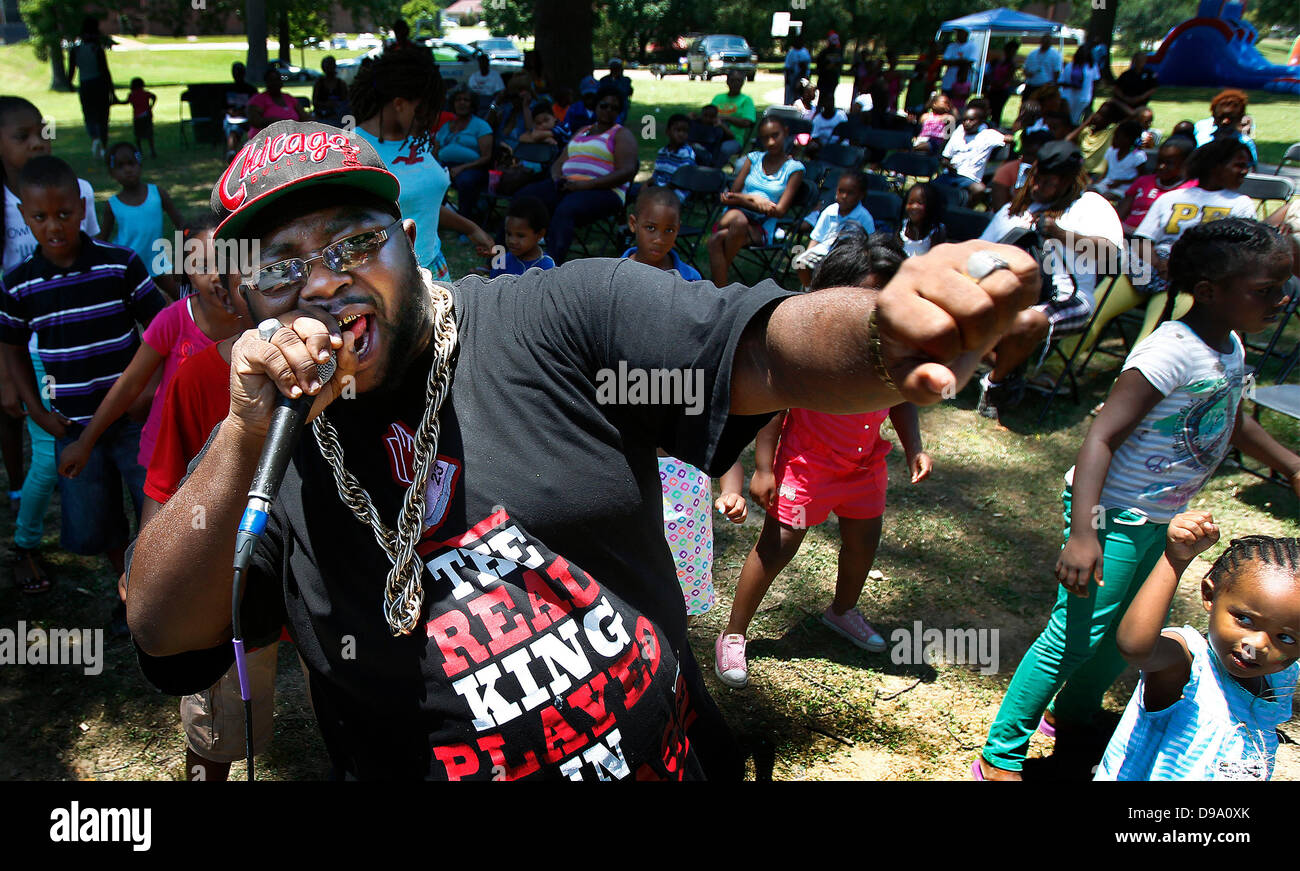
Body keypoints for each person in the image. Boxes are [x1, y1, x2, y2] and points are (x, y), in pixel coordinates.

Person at [125, 115, 1042, 780]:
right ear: (245, 303)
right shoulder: (265, 447)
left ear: (413, 243)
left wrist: (882, 336)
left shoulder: (551, 320)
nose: (323, 281)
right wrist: (248, 431)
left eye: (354, 242)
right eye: (283, 266)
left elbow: (759, 344)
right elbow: (165, 634)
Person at [976, 218, 1300, 780]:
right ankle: (1000, 754)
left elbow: (1235, 420)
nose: (1282, 298)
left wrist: (1291, 462)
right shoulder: (1171, 350)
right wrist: (1083, 534)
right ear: (1210, 292)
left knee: (1121, 632)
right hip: (1113, 515)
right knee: (1073, 637)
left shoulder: (1230, 345)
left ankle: (1072, 715)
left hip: (1163, 518)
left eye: (1283, 286)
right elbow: (1102, 436)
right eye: (1266, 289)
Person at [716, 233, 933, 688]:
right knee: (779, 543)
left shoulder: (892, 348)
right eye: (861, 297)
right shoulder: (810, 345)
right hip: (805, 466)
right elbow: (774, 406)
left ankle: (842, 610)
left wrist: (914, 446)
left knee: (863, 543)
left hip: (863, 468)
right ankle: (734, 633)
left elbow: (902, 399)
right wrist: (763, 467)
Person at [0, 156, 166, 619]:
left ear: (82, 207)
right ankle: (128, 590)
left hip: (134, 420)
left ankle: (154, 587)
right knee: (97, 519)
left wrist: (150, 388)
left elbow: (161, 324)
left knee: (154, 502)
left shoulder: (119, 264)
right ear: (24, 217)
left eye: (64, 214)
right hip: (71, 426)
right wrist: (35, 409)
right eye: (39, 217)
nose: (53, 226)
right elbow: (12, 348)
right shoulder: (19, 285)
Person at [1096, 512, 1299, 780]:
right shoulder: (1190, 665)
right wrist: (1174, 561)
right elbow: (1137, 647)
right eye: (1245, 619)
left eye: (1285, 637)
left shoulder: (1281, 675)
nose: (1257, 645)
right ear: (1209, 595)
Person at [0, 97, 103, 592]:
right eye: (21, 136)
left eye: (40, 131)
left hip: (88, 349)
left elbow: (97, 261)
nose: (37, 141)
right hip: (38, 353)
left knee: (91, 448)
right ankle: (26, 543)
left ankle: (100, 537)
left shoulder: (75, 189)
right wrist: (7, 371)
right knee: (48, 455)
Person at [58, 212, 243, 481]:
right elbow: (130, 384)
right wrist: (85, 441)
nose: (217, 276)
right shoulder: (174, 320)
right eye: (203, 266)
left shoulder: (256, 322)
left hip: (229, 458)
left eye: (226, 262)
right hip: (168, 455)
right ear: (188, 273)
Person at [975, 141, 1123, 420]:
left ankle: (995, 382)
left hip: (1069, 297)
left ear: (1067, 182)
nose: (1036, 188)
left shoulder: (1090, 206)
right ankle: (1008, 369)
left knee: (1025, 322)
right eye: (1035, 179)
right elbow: (979, 249)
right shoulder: (1015, 208)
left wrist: (1061, 234)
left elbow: (1111, 256)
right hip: (1009, 292)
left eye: (1047, 182)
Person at [349, 47, 494, 278]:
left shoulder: (417, 140)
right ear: (399, 104)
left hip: (435, 265)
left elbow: (422, 203)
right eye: (423, 110)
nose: (429, 118)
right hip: (389, 278)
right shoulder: (352, 148)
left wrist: (471, 228)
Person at [512, 86, 637, 264]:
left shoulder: (621, 134)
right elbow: (558, 163)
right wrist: (557, 179)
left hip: (604, 191)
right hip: (567, 186)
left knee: (566, 209)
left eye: (614, 107)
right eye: (604, 105)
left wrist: (587, 185)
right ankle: (505, 258)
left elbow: (627, 171)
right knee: (524, 198)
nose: (608, 110)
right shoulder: (582, 131)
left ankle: (550, 268)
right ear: (596, 106)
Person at [708, 116, 805, 286]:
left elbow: (780, 210)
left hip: (761, 227)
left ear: (786, 133)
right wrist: (752, 199)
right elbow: (730, 197)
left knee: (716, 240)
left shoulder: (794, 169)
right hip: (733, 217)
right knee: (737, 219)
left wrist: (740, 199)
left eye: (776, 135)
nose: (771, 142)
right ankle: (722, 290)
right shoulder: (753, 159)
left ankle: (719, 287)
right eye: (766, 138)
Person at [99, 143, 185, 297]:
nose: (127, 169)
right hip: (128, 266)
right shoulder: (113, 205)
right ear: (112, 172)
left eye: (131, 163)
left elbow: (181, 224)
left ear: (139, 164)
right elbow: (102, 240)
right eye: (120, 166)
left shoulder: (157, 193)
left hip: (158, 261)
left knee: (182, 297)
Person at [792, 171, 873, 288]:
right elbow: (816, 237)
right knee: (800, 263)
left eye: (850, 193)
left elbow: (869, 245)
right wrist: (808, 253)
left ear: (861, 195)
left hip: (847, 256)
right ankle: (810, 289)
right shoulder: (830, 211)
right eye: (841, 191)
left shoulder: (864, 217)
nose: (844, 196)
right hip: (824, 250)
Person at [436, 88, 493, 224]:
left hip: (472, 167)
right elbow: (435, 151)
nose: (461, 103)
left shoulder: (481, 126)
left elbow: (486, 156)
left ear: (472, 104)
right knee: (433, 178)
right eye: (458, 100)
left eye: (466, 100)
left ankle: (465, 222)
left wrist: (462, 168)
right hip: (445, 165)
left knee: (466, 181)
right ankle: (434, 219)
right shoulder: (446, 126)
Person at [1115, 136, 1195, 232]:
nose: (1161, 167)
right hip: (1127, 233)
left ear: (1185, 164)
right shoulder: (1143, 182)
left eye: (1169, 163)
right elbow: (1121, 213)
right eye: (1159, 161)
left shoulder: (1191, 190)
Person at [621, 184, 699, 279]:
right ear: (633, 224)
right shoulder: (616, 274)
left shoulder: (690, 278)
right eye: (650, 228)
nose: (659, 240)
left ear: (678, 229)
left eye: (669, 230)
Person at [67, 16, 118, 159]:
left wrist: (69, 83)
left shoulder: (75, 50)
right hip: (99, 84)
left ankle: (95, 138)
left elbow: (71, 69)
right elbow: (105, 71)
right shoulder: (97, 49)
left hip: (85, 85)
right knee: (103, 116)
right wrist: (111, 91)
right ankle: (103, 145)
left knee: (89, 114)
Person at [936, 106, 1006, 205]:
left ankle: (964, 209)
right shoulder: (959, 131)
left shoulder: (989, 135)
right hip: (950, 174)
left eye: (971, 120)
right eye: (964, 120)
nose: (967, 123)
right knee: (927, 189)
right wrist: (947, 165)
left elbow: (1009, 139)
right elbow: (945, 157)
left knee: (980, 190)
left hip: (969, 177)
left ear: (981, 121)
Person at [489, 196, 555, 277]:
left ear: (540, 234)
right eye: (509, 234)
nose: (512, 241)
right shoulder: (502, 261)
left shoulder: (547, 266)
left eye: (520, 236)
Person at [990, 129, 1052, 212]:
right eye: (1028, 155)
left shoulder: (1052, 175)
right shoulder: (1007, 171)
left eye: (1036, 157)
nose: (1031, 161)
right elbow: (999, 208)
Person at [1192, 89, 1257, 165]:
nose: (1225, 122)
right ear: (1213, 114)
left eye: (1231, 119)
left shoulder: (1245, 142)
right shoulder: (1200, 127)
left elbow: (1250, 169)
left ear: (1240, 118)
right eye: (1221, 118)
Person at [1092, 120, 1147, 201]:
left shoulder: (1138, 156)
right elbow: (1106, 171)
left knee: (1104, 197)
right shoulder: (1111, 151)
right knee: (1089, 192)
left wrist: (1121, 182)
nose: (1114, 139)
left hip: (1124, 188)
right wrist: (1098, 182)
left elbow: (1140, 178)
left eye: (1117, 137)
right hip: (1108, 184)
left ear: (1129, 140)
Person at [246, 67, 304, 138]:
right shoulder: (258, 99)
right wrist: (278, 122)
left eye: (277, 80)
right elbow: (255, 121)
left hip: (291, 138)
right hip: (266, 139)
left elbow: (304, 116)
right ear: (266, 82)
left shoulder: (289, 98)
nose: (275, 83)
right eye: (271, 80)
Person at [649, 114, 695, 199]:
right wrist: (647, 185)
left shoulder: (687, 153)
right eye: (677, 130)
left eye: (685, 131)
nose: (681, 134)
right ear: (668, 132)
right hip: (660, 188)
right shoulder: (662, 152)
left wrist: (659, 190)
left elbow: (680, 179)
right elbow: (657, 174)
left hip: (677, 192)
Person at [709, 71, 757, 151]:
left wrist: (726, 118)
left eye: (738, 80)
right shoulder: (718, 98)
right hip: (713, 134)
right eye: (732, 80)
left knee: (722, 149)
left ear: (742, 82)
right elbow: (708, 115)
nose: (735, 83)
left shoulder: (746, 100)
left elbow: (747, 122)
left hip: (734, 139)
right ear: (727, 82)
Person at [898, 182, 948, 257]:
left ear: (931, 206)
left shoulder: (937, 231)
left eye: (920, 203)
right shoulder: (902, 227)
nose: (914, 207)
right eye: (911, 202)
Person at [223, 62, 259, 161]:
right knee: (233, 129)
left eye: (240, 72)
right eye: (235, 72)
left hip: (248, 117)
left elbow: (256, 107)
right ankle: (231, 153)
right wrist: (229, 111)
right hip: (232, 118)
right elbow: (221, 107)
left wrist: (245, 112)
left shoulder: (251, 89)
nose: (238, 75)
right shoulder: (227, 89)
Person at [1058, 47, 1100, 125]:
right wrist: (1072, 85)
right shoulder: (1070, 66)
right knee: (1069, 119)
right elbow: (1061, 81)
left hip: (1083, 98)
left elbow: (1095, 82)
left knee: (1075, 119)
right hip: (1070, 97)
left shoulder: (1092, 66)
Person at [984, 41, 1019, 130]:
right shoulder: (997, 62)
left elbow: (1008, 78)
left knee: (997, 111)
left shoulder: (1012, 65)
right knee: (989, 109)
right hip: (993, 89)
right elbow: (990, 73)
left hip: (1003, 90)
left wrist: (998, 83)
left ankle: (994, 128)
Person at [941, 30, 978, 102]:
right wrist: (962, 61)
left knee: (959, 103)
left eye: (961, 33)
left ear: (966, 34)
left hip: (962, 82)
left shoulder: (972, 46)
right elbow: (945, 61)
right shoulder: (951, 46)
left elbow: (970, 62)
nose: (958, 35)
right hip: (948, 81)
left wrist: (953, 62)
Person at [312, 57, 350, 126]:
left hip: (338, 116)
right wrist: (326, 104)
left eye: (331, 65)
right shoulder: (319, 83)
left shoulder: (341, 83)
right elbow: (314, 102)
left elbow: (346, 101)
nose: (329, 68)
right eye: (327, 66)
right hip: (322, 115)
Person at [126, 78, 157, 159]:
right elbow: (154, 96)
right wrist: (151, 106)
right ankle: (152, 150)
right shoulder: (145, 93)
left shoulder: (131, 94)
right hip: (147, 115)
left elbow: (126, 102)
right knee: (149, 134)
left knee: (138, 135)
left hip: (137, 117)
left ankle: (139, 151)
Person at [599, 58, 633, 125]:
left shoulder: (626, 80)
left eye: (617, 68)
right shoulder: (604, 80)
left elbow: (625, 92)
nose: (615, 70)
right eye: (614, 68)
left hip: (621, 106)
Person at [783, 37, 812, 106]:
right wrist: (787, 80)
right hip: (792, 77)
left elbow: (805, 68)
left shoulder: (804, 52)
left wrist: (802, 79)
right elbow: (787, 68)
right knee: (790, 96)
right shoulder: (791, 53)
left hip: (802, 78)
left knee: (801, 96)